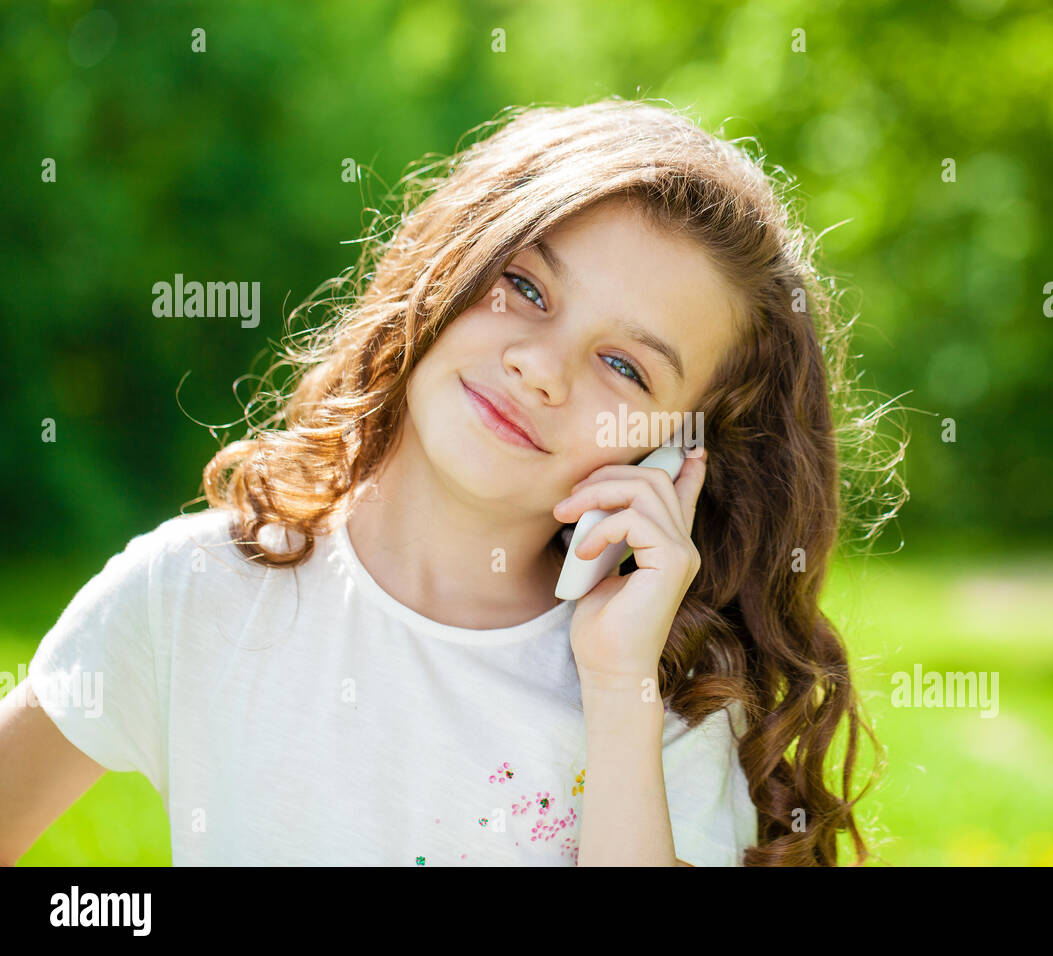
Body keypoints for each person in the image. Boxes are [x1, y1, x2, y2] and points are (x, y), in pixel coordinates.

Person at [2, 98, 894, 866]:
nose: (541, 368)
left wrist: (619, 692)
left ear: (681, 454)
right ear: (451, 262)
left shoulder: (667, 699)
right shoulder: (191, 597)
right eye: (527, 287)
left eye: (623, 365)